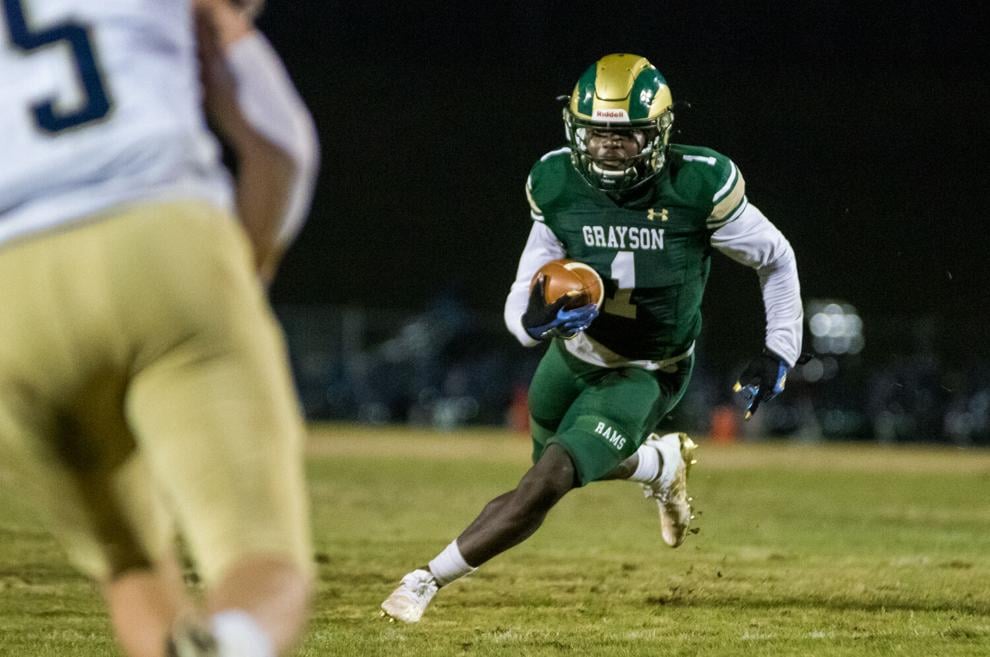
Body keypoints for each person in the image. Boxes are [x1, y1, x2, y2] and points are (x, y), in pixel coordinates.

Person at [380, 53, 803, 623]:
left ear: (658, 133)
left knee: (546, 480)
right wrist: (532, 325)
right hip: (572, 357)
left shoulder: (698, 183)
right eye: (597, 133)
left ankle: (425, 580)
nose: (608, 147)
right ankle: (659, 464)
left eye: (626, 136)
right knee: (567, 460)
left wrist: (781, 347)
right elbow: (524, 288)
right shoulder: (555, 181)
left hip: (647, 368)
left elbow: (775, 258)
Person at [0, 0, 318, 655]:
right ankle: (232, 640)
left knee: (132, 567)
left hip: (10, 288)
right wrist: (242, 276)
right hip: (159, 234)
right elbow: (283, 144)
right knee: (262, 561)